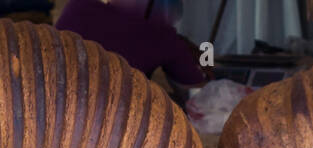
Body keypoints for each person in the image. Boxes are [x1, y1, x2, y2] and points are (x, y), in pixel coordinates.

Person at [55, 0, 205, 85]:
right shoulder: (162, 36)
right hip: (111, 118)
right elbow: (193, 81)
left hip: (51, 102)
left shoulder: (79, 7)